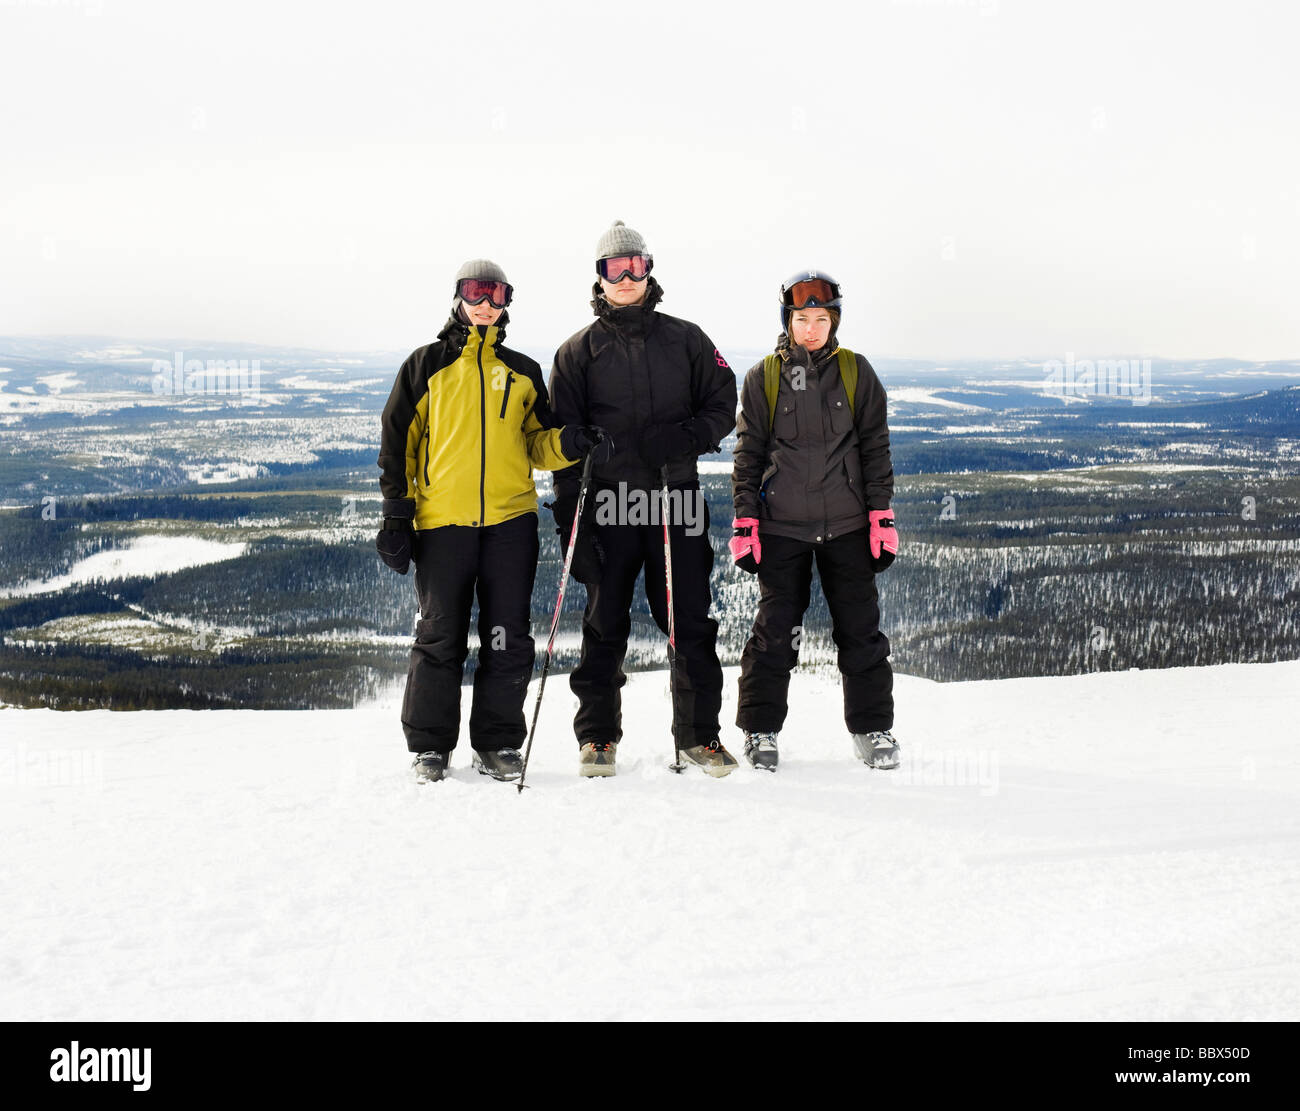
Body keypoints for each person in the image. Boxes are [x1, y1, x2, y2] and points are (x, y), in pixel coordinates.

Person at [376, 259, 607, 784]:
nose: (485, 303)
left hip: (510, 524)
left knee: (507, 636)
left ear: (506, 302)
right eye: (475, 292)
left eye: (496, 293)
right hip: (442, 525)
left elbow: (537, 445)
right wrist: (397, 514)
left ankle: (498, 742)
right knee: (440, 636)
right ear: (458, 296)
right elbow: (398, 446)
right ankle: (431, 748)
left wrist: (569, 443)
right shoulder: (426, 366)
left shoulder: (522, 372)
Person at [548, 221, 739, 777]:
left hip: (673, 496)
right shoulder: (577, 352)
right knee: (604, 622)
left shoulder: (687, 338)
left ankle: (699, 737)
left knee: (688, 620)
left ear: (650, 269)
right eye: (615, 267)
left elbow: (722, 404)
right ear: (600, 278)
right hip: (607, 503)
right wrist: (570, 524)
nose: (627, 276)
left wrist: (686, 437)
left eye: (636, 265)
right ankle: (598, 740)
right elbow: (562, 441)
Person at [729, 270, 900, 772]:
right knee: (774, 633)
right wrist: (746, 521)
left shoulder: (856, 371)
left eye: (820, 318)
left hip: (847, 525)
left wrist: (881, 515)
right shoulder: (764, 376)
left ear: (834, 321)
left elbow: (875, 447)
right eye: (801, 318)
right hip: (782, 527)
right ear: (788, 320)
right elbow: (749, 453)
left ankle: (872, 728)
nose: (810, 328)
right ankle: (760, 730)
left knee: (861, 631)